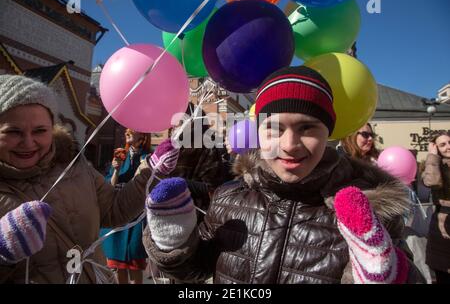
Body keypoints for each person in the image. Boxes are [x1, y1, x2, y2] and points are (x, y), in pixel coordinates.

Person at [142, 66, 423, 284]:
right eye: (274, 128)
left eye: (307, 128)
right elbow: (196, 270)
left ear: (329, 132)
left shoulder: (368, 208)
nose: (289, 145)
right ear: (259, 131)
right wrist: (173, 239)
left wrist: (385, 273)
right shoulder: (230, 197)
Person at [0, 74, 179, 283]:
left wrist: (151, 170)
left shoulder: (74, 166)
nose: (28, 142)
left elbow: (115, 210)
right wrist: (3, 255)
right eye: (13, 132)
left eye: (40, 130)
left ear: (52, 128)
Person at [100, 129, 151, 284]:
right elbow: (109, 186)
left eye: (131, 130)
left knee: (135, 267)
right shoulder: (120, 155)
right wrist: (115, 169)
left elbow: (146, 184)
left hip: (136, 217)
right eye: (126, 130)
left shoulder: (147, 158)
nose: (126, 132)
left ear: (142, 135)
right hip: (117, 215)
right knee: (117, 268)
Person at [422, 130, 450, 283]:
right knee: (443, 272)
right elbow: (432, 181)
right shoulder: (431, 164)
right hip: (442, 222)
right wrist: (432, 157)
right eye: (443, 144)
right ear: (436, 148)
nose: (448, 147)